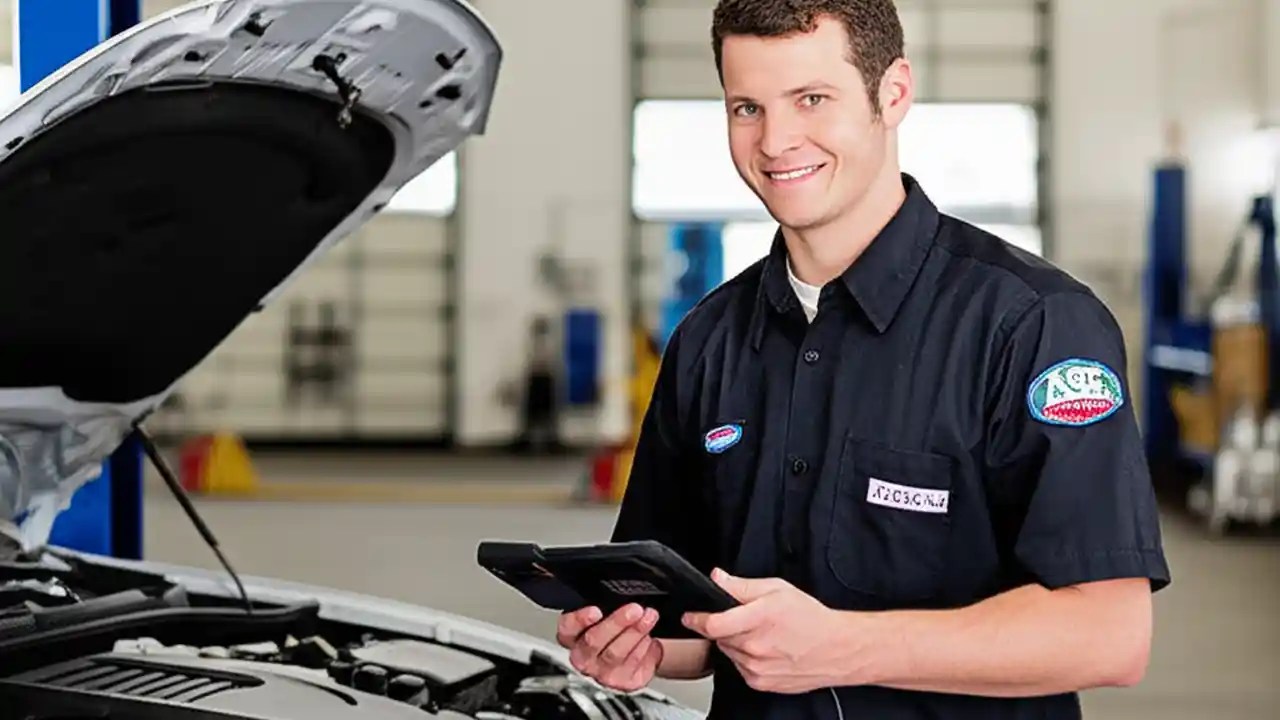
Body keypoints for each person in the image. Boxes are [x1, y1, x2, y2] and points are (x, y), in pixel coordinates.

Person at [555, 1, 1171, 718]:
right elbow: (690, 623)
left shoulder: (1033, 326)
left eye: (811, 99)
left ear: (894, 94)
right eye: (746, 107)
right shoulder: (707, 340)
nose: (776, 140)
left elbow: (1107, 636)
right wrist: (641, 643)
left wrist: (841, 645)